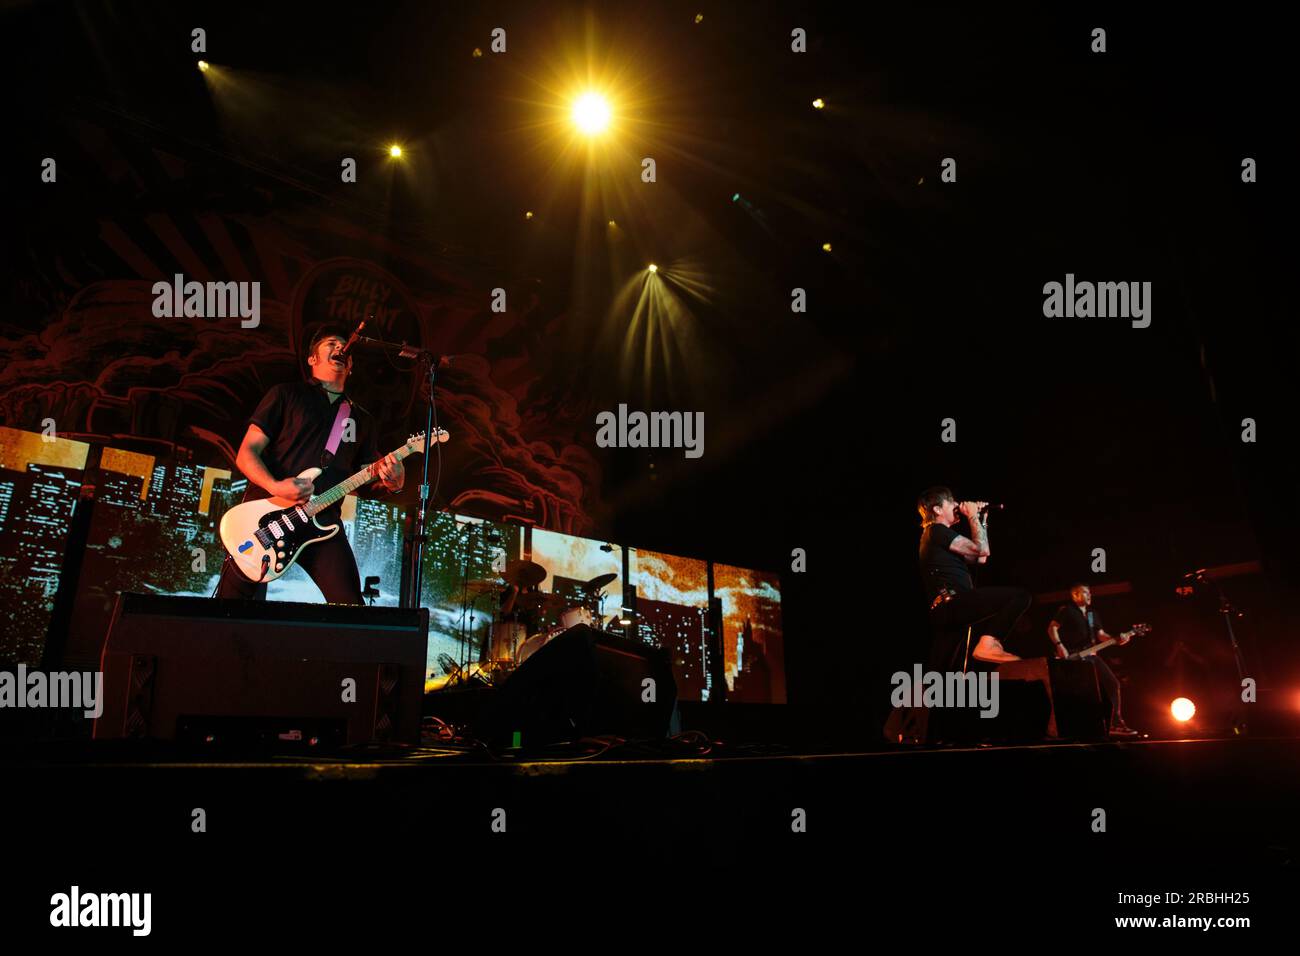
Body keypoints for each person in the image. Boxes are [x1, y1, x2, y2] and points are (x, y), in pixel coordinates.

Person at [215, 325, 404, 603]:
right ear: (312, 359)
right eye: (331, 344)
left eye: (345, 348)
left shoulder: (362, 419)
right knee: (228, 606)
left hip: (322, 522)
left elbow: (366, 483)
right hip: (265, 518)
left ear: (350, 366)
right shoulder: (285, 395)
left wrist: (393, 482)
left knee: (351, 608)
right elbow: (247, 453)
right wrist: (277, 486)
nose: (341, 349)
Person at [917, 486, 1031, 668]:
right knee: (1020, 596)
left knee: (941, 668)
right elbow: (982, 549)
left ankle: (925, 693)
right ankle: (988, 643)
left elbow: (981, 557)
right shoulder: (936, 530)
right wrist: (971, 516)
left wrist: (981, 520)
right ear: (937, 509)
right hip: (953, 603)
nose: (956, 504)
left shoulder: (938, 536)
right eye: (951, 501)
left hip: (947, 609)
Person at [1048, 584, 1138, 736]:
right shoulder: (1066, 611)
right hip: (1072, 657)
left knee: (1112, 683)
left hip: (1091, 655)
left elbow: (1101, 635)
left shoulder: (1092, 614)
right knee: (1080, 692)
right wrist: (1059, 645)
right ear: (1075, 595)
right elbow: (1052, 628)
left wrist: (1118, 639)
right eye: (1085, 592)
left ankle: (1114, 723)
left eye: (1089, 592)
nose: (1089, 595)